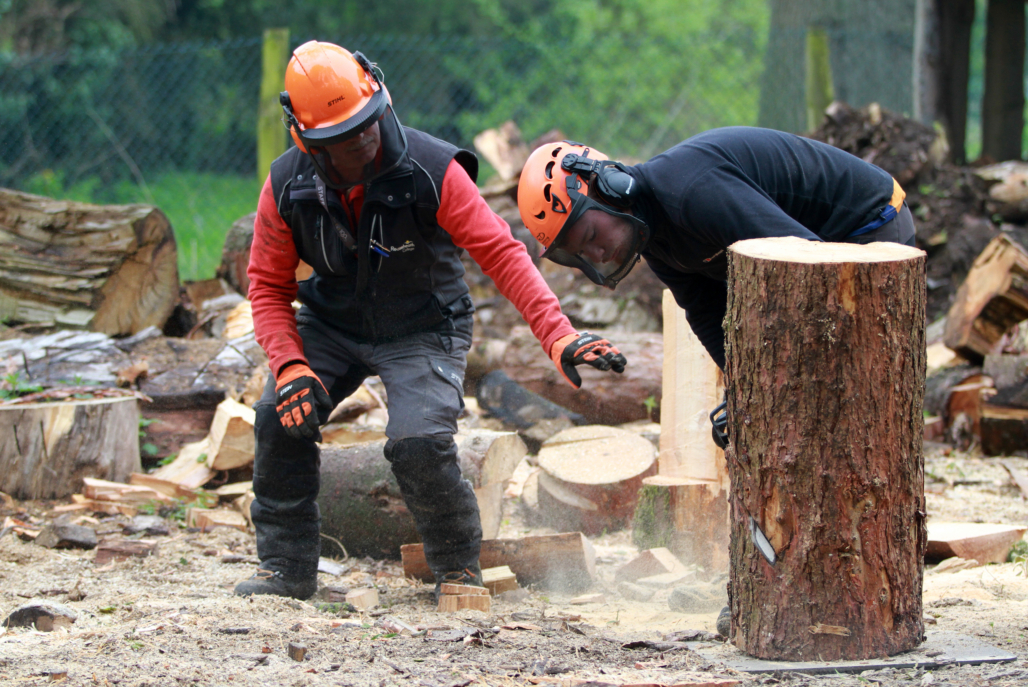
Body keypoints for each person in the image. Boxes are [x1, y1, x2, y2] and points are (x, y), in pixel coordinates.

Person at [236, 41, 627, 600]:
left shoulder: (433, 169)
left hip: (424, 324)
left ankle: (455, 566)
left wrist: (557, 334)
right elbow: (268, 286)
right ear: (306, 140)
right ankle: (286, 568)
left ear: (380, 103)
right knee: (280, 414)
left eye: (367, 128)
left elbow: (502, 253)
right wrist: (291, 364)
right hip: (331, 324)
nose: (362, 147)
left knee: (418, 442)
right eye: (342, 144)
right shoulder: (286, 185)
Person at [518, 127, 915, 638]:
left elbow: (806, 267)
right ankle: (786, 589)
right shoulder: (656, 233)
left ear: (609, 185)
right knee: (769, 422)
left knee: (831, 411)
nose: (597, 253)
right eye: (583, 254)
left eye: (592, 237)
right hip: (818, 248)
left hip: (868, 227)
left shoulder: (691, 193)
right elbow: (708, 313)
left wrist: (772, 395)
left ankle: (847, 593)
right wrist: (745, 393)